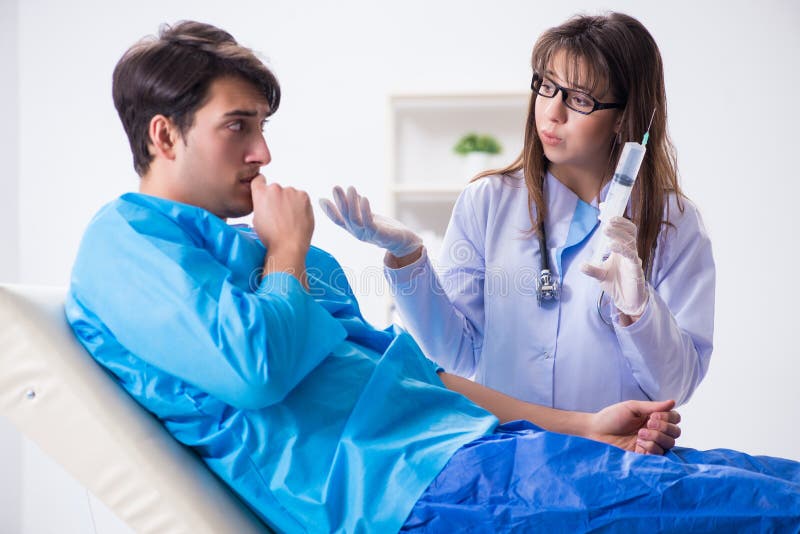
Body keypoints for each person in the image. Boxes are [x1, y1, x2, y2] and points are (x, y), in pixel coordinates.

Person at [66, 20, 799, 534]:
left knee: (758, 481)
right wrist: (325, 251)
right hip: (396, 484)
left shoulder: (265, 256)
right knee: (747, 510)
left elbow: (408, 366)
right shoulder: (125, 244)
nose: (264, 152)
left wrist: (583, 423)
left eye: (263, 125)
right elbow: (258, 372)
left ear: (623, 118)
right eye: (240, 126)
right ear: (164, 133)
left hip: (469, 442)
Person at [321, 12, 715, 413]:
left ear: (623, 117)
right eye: (547, 87)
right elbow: (457, 353)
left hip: (613, 459)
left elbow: (676, 385)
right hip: (506, 454)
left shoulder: (673, 222)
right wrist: (407, 257)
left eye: (579, 99)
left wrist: (639, 311)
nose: (552, 113)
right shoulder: (488, 201)